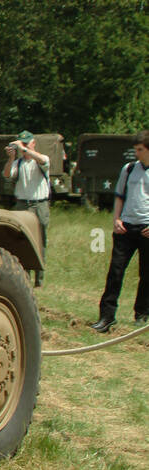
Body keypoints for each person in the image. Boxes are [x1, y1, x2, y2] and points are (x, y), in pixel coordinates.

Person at [90, 130, 149, 333]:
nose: (136, 154)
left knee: (147, 275)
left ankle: (142, 315)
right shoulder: (129, 168)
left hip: (147, 230)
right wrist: (116, 219)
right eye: (135, 150)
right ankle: (106, 317)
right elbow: (119, 196)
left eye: (140, 150)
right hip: (125, 228)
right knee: (115, 272)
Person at [5, 130, 50, 282]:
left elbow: (44, 161)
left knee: (40, 240)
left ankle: (40, 278)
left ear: (33, 143)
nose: (23, 147)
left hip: (39, 204)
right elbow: (7, 175)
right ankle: (25, 276)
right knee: (21, 240)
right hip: (22, 204)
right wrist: (11, 158)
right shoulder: (18, 163)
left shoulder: (41, 159)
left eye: (26, 143)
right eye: (22, 144)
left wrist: (24, 149)